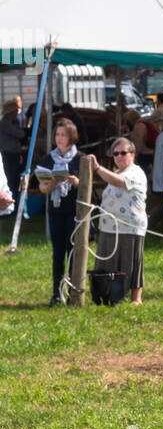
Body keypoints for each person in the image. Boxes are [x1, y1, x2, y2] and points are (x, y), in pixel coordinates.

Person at [89, 138, 148, 303]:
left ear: (133, 155)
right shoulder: (116, 172)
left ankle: (136, 298)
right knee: (107, 262)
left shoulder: (136, 172)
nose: (119, 156)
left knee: (132, 262)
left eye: (123, 153)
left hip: (129, 227)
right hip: (109, 227)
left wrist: (98, 168)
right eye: (116, 153)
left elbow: (119, 183)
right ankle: (109, 295)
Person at [38, 118, 81, 305]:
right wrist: (51, 184)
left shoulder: (80, 158)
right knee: (58, 252)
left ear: (71, 136)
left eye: (63, 134)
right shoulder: (49, 159)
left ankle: (73, 292)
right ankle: (56, 292)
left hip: (74, 210)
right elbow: (42, 188)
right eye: (57, 134)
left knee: (73, 251)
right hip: (55, 210)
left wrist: (75, 181)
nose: (60, 138)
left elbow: (85, 185)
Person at [0, 99, 26, 204]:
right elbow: (20, 134)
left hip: (12, 155)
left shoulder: (10, 123)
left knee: (14, 180)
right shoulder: (5, 123)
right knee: (10, 180)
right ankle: (9, 203)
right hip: (8, 155)